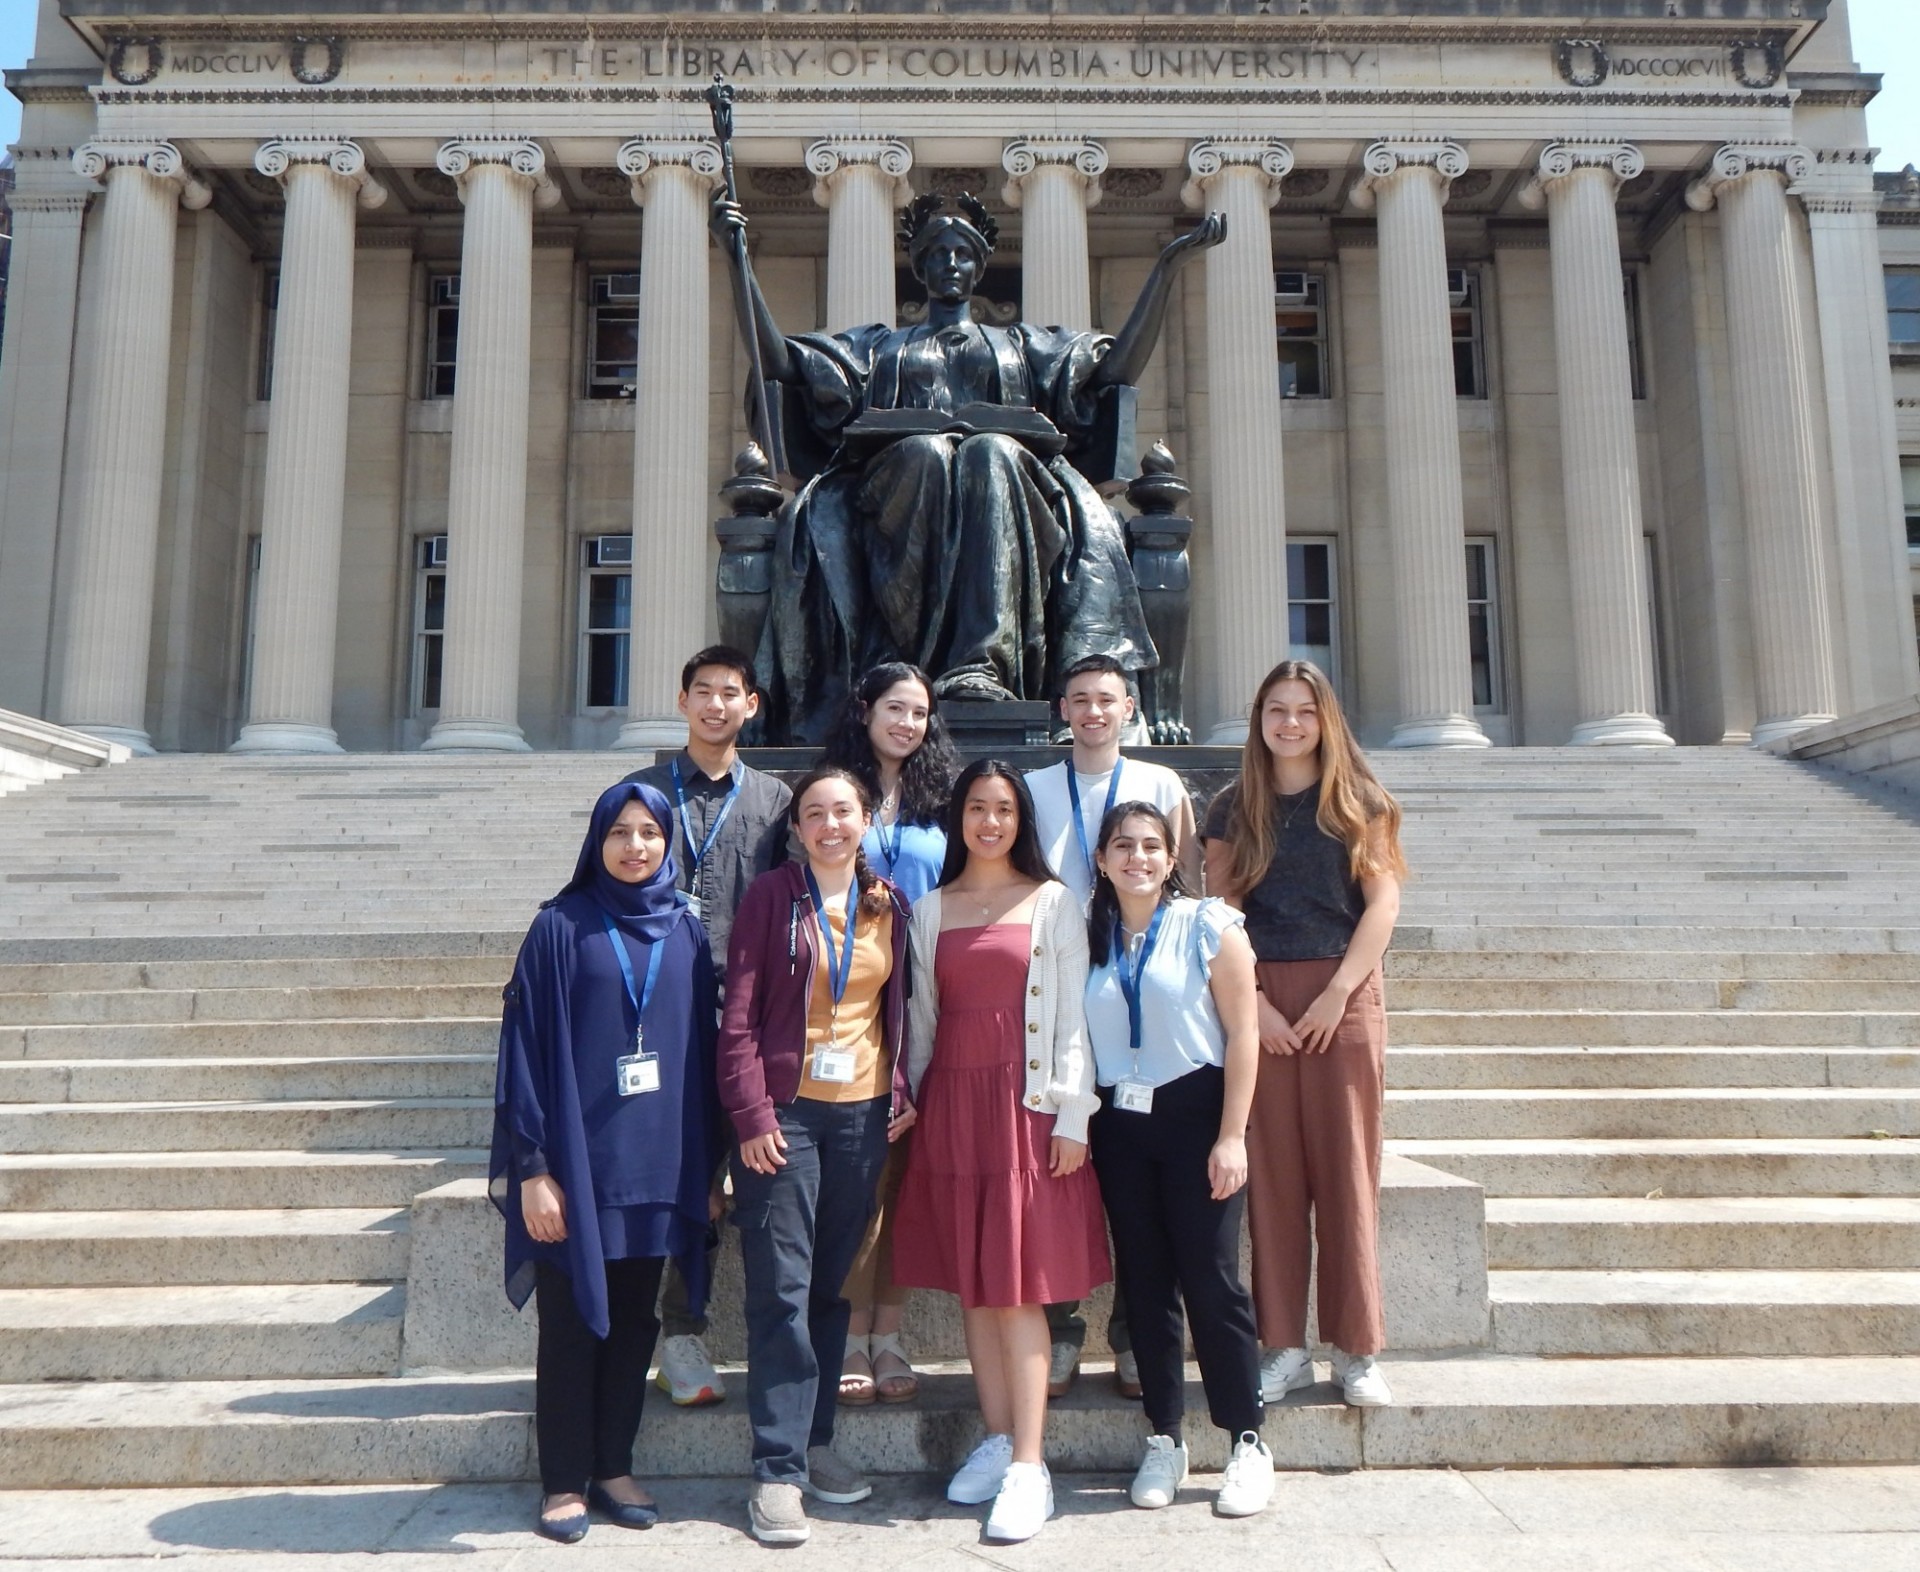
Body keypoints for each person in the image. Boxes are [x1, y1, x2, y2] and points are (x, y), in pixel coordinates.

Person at [709, 186, 1225, 742]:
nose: (950, 264)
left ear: (979, 267)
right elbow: (782, 363)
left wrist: (1166, 270)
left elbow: (1114, 370)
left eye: (962, 255)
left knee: (989, 451)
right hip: (895, 486)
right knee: (926, 452)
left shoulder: (1023, 346)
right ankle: (895, 665)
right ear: (920, 265)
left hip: (1012, 487)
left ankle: (983, 665)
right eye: (937, 254)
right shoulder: (880, 348)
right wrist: (739, 263)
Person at [490, 782, 724, 1541]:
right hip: (576, 1169)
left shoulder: (685, 933)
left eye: (649, 833)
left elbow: (704, 1059)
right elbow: (521, 1058)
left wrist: (709, 1168)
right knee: (568, 1323)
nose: (635, 847)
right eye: (619, 833)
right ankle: (563, 1478)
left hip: (659, 1166)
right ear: (597, 842)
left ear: (667, 844)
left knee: (632, 1321)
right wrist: (532, 1169)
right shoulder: (558, 928)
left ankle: (613, 1465)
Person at [891, 760, 1108, 1544]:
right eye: (977, 808)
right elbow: (920, 1018)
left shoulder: (1054, 904)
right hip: (952, 1102)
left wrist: (1075, 1116)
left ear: (1023, 819)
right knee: (976, 1287)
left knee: (1018, 1285)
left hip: (1027, 1106)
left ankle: (1028, 1462)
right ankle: (994, 1435)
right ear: (959, 818)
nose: (990, 822)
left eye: (1005, 809)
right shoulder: (929, 908)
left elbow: (1076, 1019)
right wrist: (907, 1098)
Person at [717, 767, 917, 1546]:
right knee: (782, 1290)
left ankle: (815, 1442)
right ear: (796, 826)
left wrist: (898, 1086)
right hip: (785, 1117)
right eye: (815, 813)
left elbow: (893, 1009)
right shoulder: (773, 898)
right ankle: (775, 1471)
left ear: (866, 819)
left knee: (832, 1287)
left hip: (862, 1119)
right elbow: (737, 1018)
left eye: (845, 810)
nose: (831, 824)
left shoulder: (887, 903)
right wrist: (749, 1114)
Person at [1200, 659, 1407, 1410]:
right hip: (1260, 994)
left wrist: (1337, 995)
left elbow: (1381, 907)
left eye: (1305, 710)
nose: (1290, 723)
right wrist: (1255, 1000)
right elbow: (1218, 911)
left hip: (1343, 995)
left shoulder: (1360, 801)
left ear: (1327, 720)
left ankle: (1357, 1349)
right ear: (1258, 720)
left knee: (1348, 1172)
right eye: (1276, 709)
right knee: (1274, 1178)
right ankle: (1282, 1344)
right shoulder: (1230, 806)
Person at [1083, 801, 1273, 1516]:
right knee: (1145, 1283)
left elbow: (1244, 1035)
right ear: (1101, 859)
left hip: (1197, 1115)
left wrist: (1233, 1135)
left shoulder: (1207, 925)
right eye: (1122, 846)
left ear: (1172, 859)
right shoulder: (1090, 933)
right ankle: (1164, 1436)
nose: (1137, 857)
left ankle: (1247, 1440)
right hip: (1120, 1126)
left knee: (1212, 1281)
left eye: (1151, 847)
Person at [1024, 651, 1200, 1397]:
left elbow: (1185, 870)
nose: (1093, 712)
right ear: (1061, 710)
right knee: (1060, 1172)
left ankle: (1136, 1333)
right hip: (1063, 983)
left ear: (1130, 708)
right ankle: (1060, 1328)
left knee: (1142, 1172)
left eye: (1107, 700)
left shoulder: (1161, 783)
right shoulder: (1033, 787)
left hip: (1141, 984)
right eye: (1079, 700)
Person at [621, 644, 792, 1408]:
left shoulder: (777, 801)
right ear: (682, 700)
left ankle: (770, 1339)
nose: (717, 705)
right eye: (704, 692)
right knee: (682, 1181)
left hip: (749, 1017)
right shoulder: (640, 794)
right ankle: (679, 1334)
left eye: (731, 693)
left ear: (752, 706)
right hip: (661, 1016)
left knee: (761, 1175)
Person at [817, 661, 957, 1405]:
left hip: (930, 993)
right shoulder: (834, 793)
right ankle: (849, 1329)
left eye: (920, 713)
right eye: (895, 709)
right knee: (856, 1171)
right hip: (851, 998)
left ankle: (890, 1333)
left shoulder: (941, 797)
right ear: (865, 708)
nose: (908, 724)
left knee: (904, 1174)